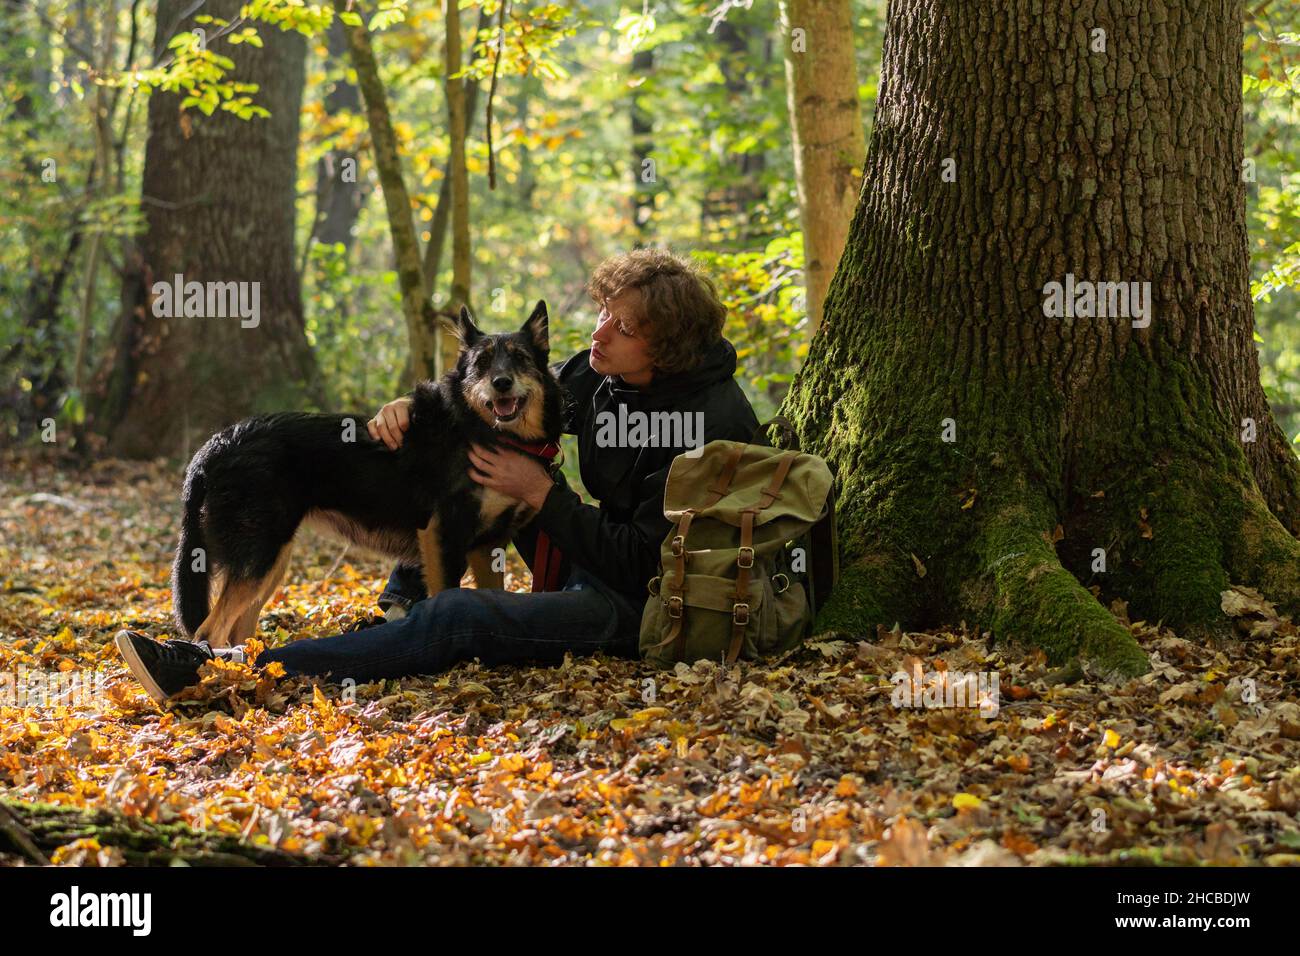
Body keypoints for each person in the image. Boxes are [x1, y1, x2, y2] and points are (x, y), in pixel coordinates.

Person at [115, 248, 760, 704]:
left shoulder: (707, 424)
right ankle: (391, 609)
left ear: (666, 343)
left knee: (457, 619)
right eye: (601, 312)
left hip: (645, 601)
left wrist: (540, 493)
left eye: (621, 326)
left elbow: (642, 561)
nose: (598, 332)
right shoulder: (603, 375)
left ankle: (231, 668)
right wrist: (408, 411)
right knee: (456, 504)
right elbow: (497, 412)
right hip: (595, 559)